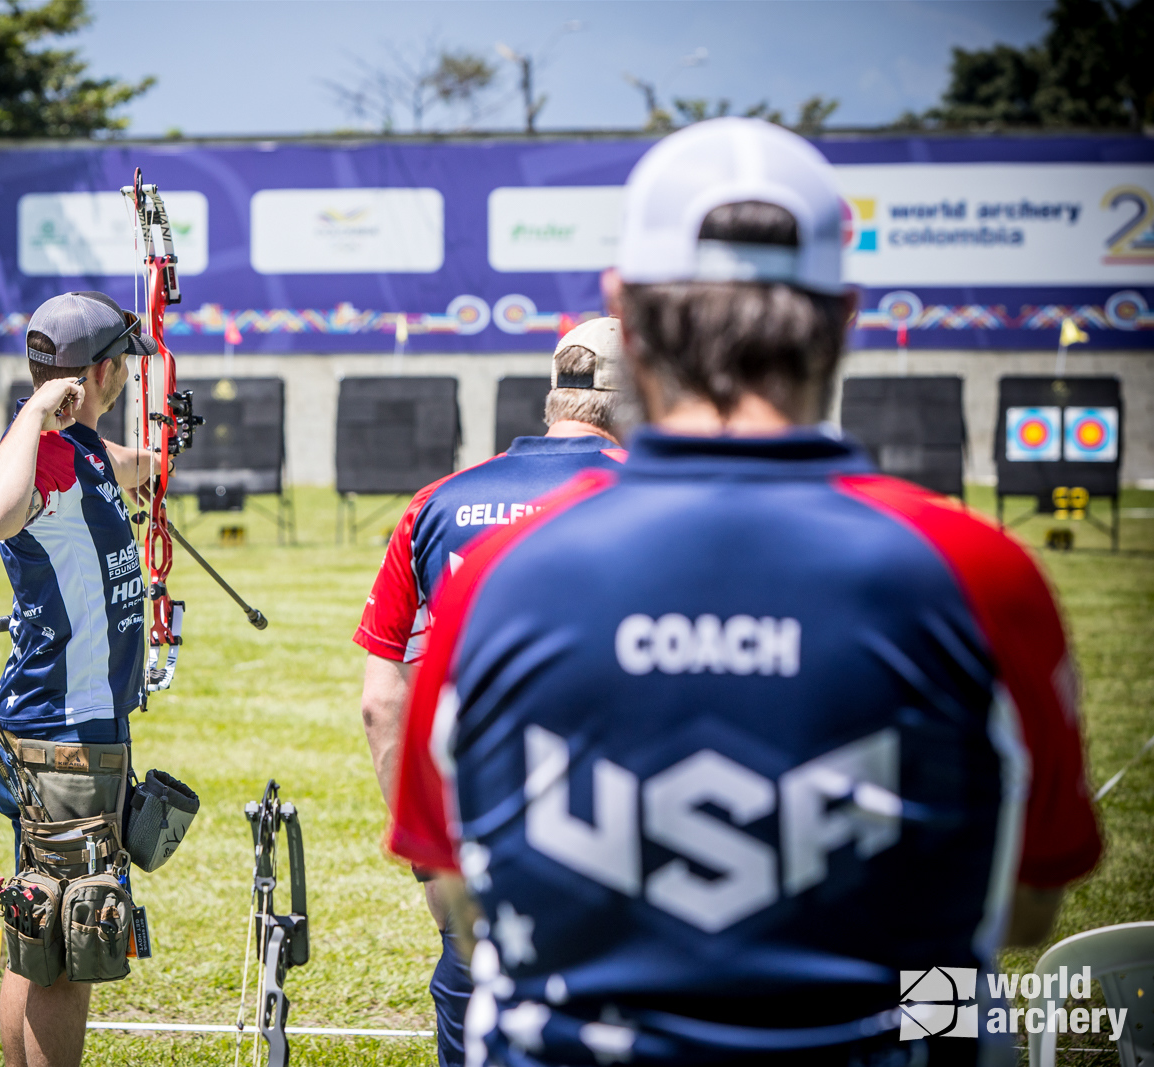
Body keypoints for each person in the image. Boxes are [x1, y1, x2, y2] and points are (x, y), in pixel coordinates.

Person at [387, 118, 1102, 1067]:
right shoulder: (980, 571)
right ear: (846, 313)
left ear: (623, 310)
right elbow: (1020, 903)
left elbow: (457, 890)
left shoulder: (496, 576)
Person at [355, 318, 636, 1067]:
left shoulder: (435, 504)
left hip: (479, 857)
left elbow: (383, 702)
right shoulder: (656, 502)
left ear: (553, 394)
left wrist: (426, 851)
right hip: (620, 859)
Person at [0, 290, 154, 1067]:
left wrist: (153, 459)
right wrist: (40, 408)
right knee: (74, 938)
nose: (130, 383)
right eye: (124, 371)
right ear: (101, 373)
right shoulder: (41, 448)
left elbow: (121, 464)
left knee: (37, 922)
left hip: (63, 726)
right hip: (65, 734)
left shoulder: (74, 452)